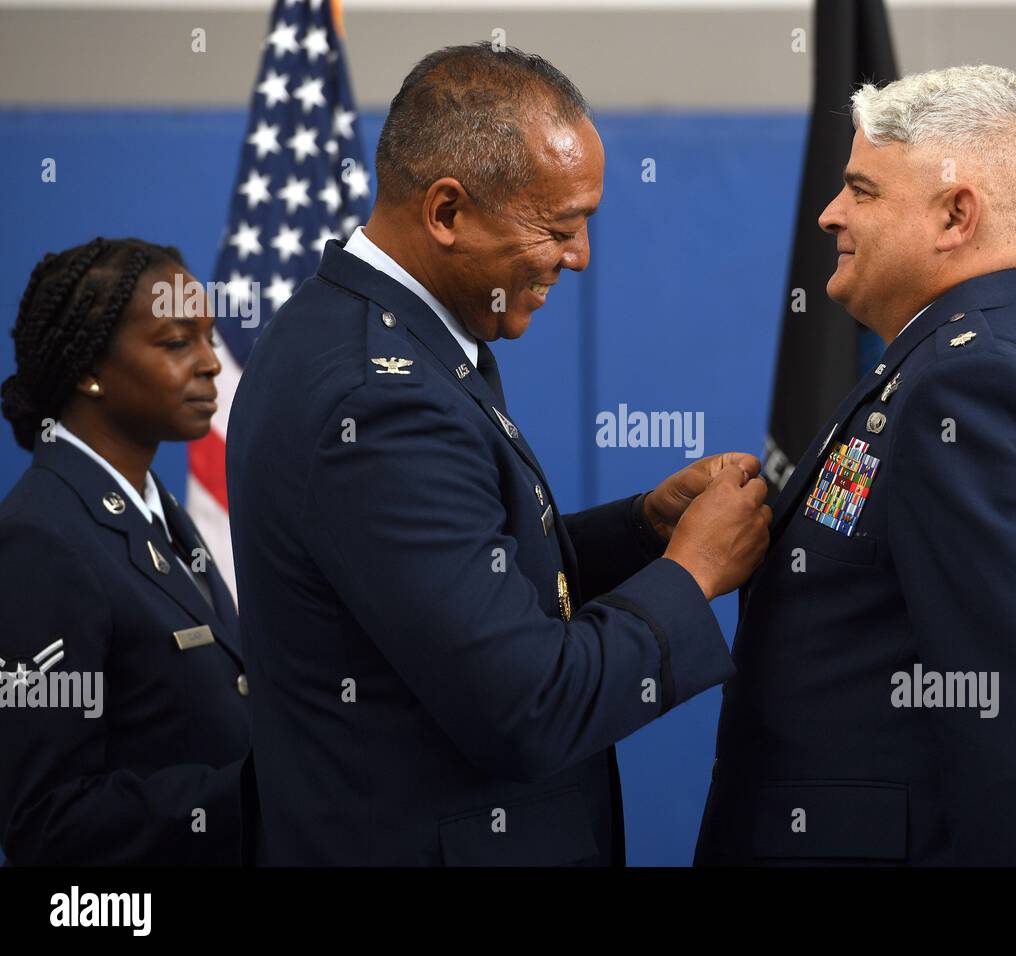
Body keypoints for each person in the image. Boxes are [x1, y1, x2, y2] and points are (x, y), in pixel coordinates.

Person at [226, 43, 770, 865]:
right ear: (447, 212)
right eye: (558, 226)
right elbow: (530, 706)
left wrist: (644, 529)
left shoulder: (381, 338)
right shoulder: (378, 396)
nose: (580, 255)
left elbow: (463, 586)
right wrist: (691, 575)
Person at [695, 65, 1016, 866]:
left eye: (863, 191)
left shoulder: (969, 385)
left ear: (954, 215)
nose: (829, 212)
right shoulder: (982, 356)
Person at [0, 237, 248, 865]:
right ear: (90, 369)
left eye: (208, 337)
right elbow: (47, 820)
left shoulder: (154, 511)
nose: (211, 363)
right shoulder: (42, 541)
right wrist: (255, 793)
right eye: (175, 342)